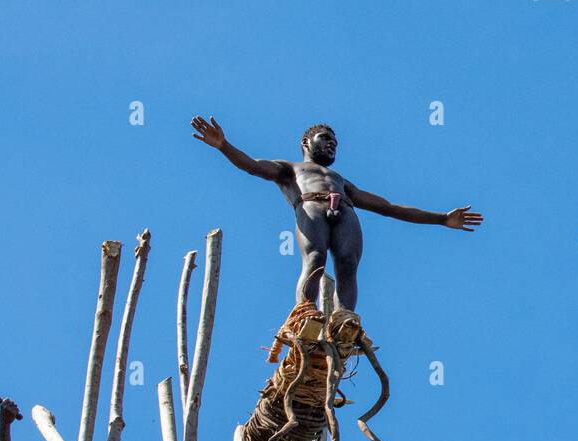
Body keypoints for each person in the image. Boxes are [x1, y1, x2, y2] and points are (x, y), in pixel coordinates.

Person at [191, 116, 482, 310]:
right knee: (315, 258)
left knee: (347, 263)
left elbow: (390, 208)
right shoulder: (291, 169)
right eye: (324, 137)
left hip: (344, 211)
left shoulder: (343, 182)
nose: (331, 143)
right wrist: (223, 146)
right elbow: (252, 165)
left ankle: (345, 319)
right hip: (311, 206)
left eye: (335, 142)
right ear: (306, 143)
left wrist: (442, 218)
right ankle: (305, 313)